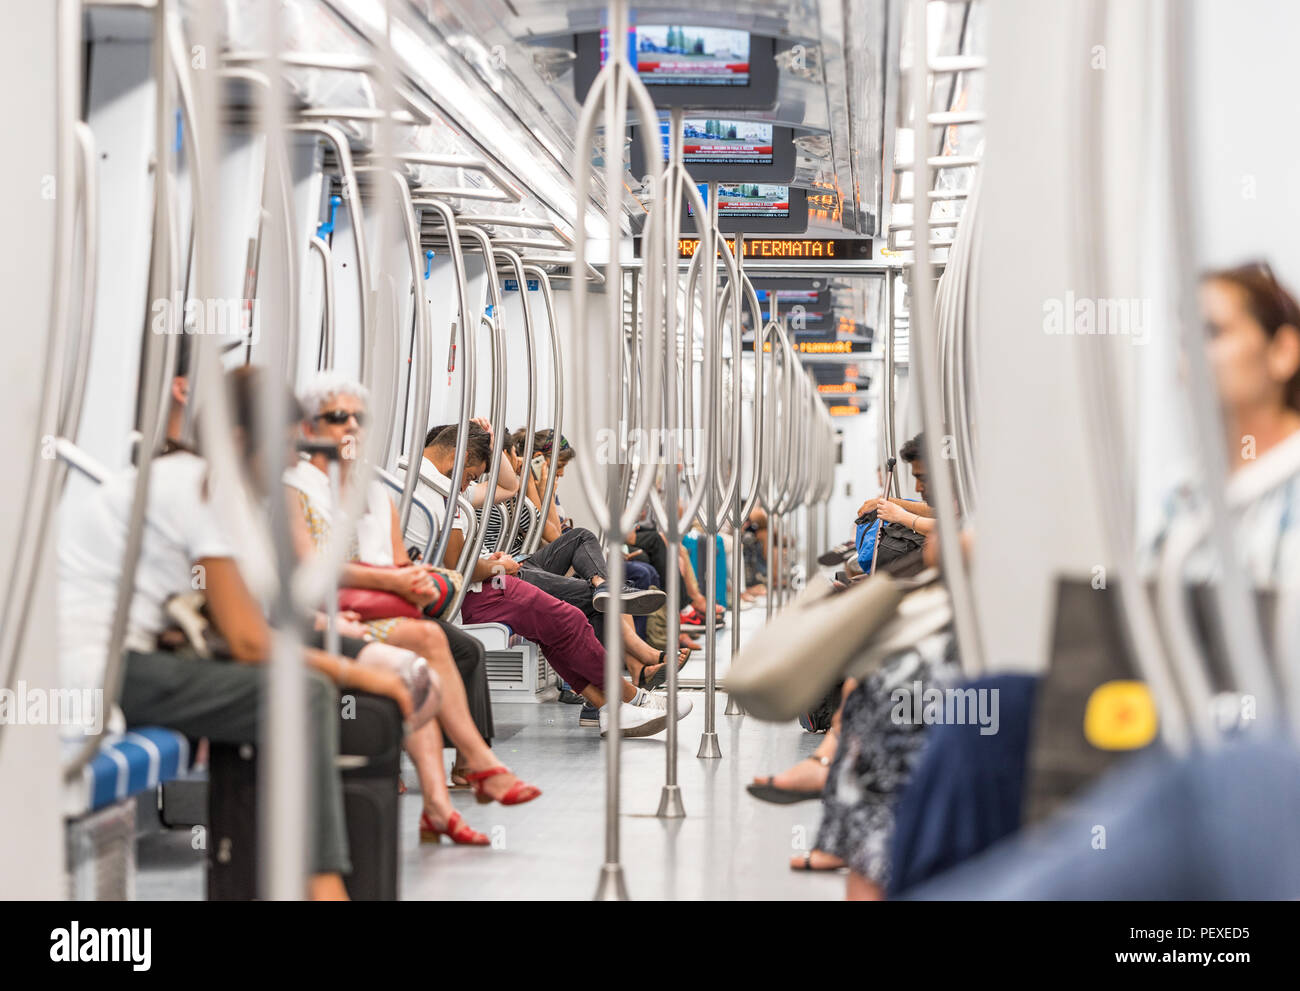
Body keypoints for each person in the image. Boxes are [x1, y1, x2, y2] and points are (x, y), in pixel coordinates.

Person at [59, 367, 415, 900]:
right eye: (285, 446)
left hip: (112, 660)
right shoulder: (207, 487)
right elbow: (249, 642)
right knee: (303, 694)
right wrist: (359, 671)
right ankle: (323, 887)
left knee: (301, 676)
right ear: (240, 442)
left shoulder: (187, 478)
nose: (295, 460)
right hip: (96, 672)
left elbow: (243, 622)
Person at [286, 372, 541, 810]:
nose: (352, 428)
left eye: (360, 420)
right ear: (310, 427)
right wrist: (393, 581)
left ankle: (460, 777)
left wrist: (418, 581)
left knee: (463, 648)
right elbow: (313, 569)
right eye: (339, 418)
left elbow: (398, 559)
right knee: (428, 643)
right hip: (325, 610)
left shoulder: (372, 492)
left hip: (376, 604)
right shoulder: (297, 490)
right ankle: (471, 772)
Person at [400, 420, 693, 737]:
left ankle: (613, 707)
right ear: (460, 456)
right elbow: (460, 565)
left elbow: (503, 494)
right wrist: (499, 566)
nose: (466, 484)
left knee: (557, 629)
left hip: (478, 584)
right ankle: (632, 696)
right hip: (473, 591)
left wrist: (494, 442)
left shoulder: (431, 482)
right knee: (569, 619)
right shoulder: (439, 491)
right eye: (470, 476)